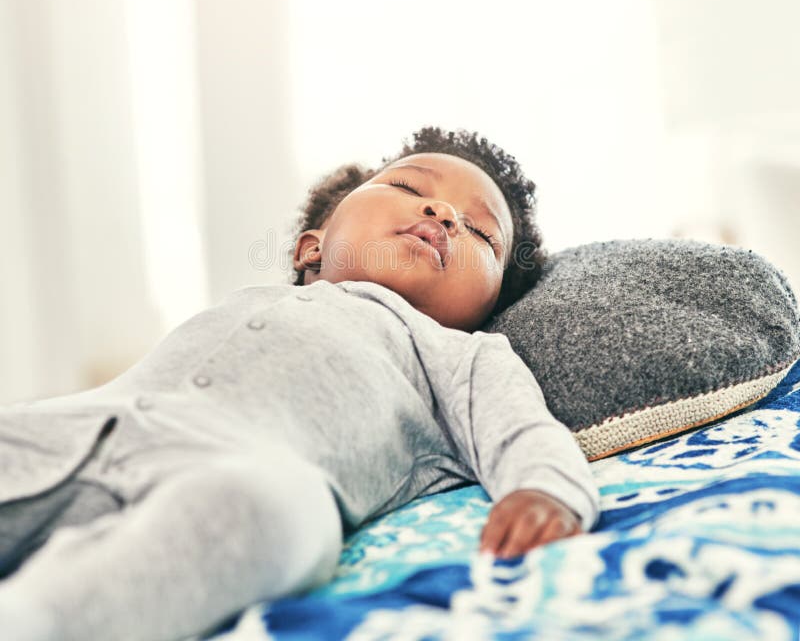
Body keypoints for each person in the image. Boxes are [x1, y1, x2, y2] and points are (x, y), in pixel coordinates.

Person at [0, 126, 600, 641]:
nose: (443, 215)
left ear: (486, 302)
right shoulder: (252, 299)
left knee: (283, 514)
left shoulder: (460, 354)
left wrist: (546, 492)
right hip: (74, 429)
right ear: (314, 245)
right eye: (410, 188)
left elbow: (526, 431)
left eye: (481, 234)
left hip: (242, 471)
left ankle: (34, 619)